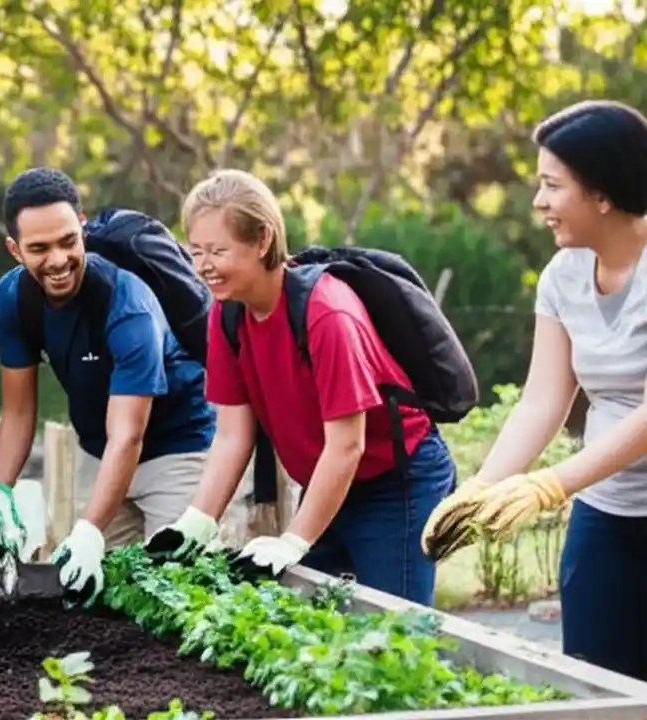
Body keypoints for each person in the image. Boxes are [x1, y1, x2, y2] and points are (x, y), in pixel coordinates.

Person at [149, 168, 456, 606]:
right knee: (313, 628)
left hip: (395, 482)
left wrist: (294, 541)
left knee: (393, 634)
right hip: (327, 480)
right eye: (195, 251)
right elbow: (234, 435)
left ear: (262, 241)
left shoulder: (326, 314)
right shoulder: (227, 314)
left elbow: (347, 447)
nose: (204, 267)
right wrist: (197, 522)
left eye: (218, 251)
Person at [423, 100, 647, 680]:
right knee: (597, 685)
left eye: (552, 186)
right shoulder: (563, 276)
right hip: (606, 512)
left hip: (584, 485)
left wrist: (550, 485)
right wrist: (483, 486)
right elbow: (545, 398)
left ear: (602, 194)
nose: (538, 203)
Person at [0, 167, 216, 606]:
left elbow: (128, 434)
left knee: (177, 596)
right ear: (14, 250)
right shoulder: (13, 300)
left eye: (68, 241)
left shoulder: (126, 303)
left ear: (83, 227)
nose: (57, 260)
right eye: (39, 248)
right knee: (94, 596)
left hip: (174, 449)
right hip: (98, 449)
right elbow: (17, 412)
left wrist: (90, 529)